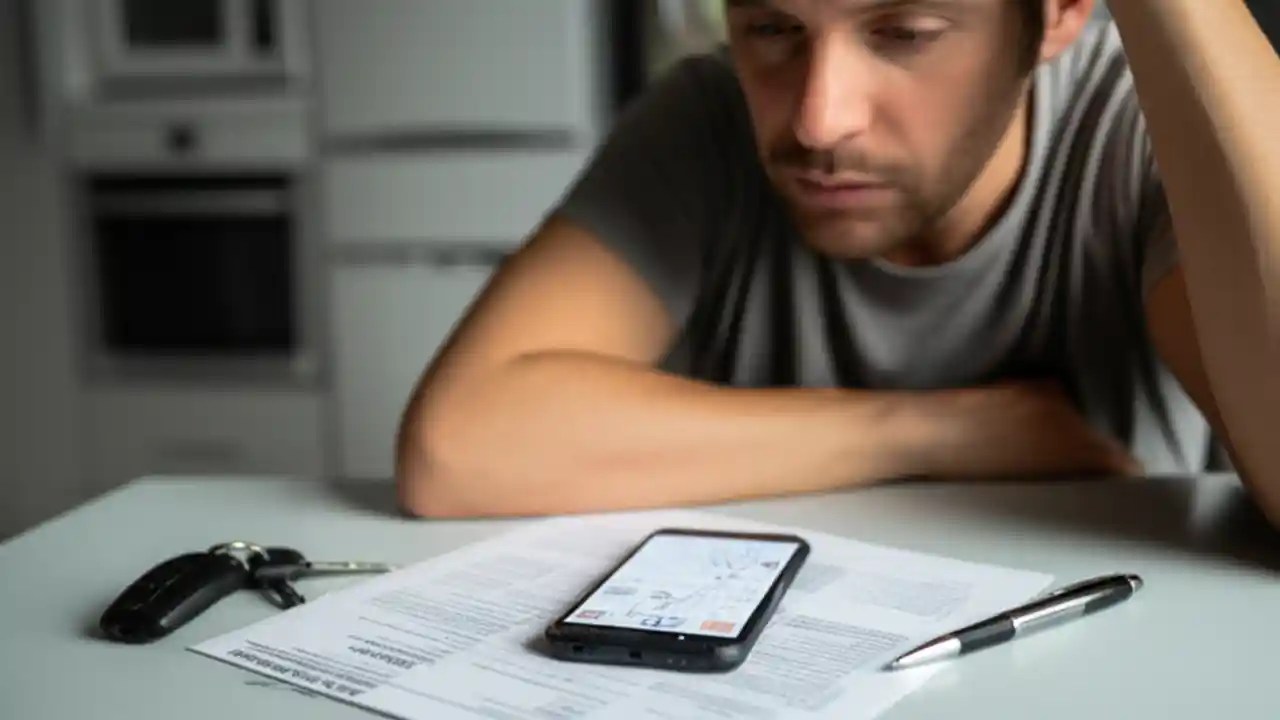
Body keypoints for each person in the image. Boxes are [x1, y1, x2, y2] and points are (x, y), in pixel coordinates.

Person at [394, 0, 1280, 522]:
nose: (819, 121)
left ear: (1060, 13)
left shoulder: (1149, 131)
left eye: (905, 31)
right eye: (774, 27)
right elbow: (459, 446)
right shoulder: (707, 121)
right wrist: (944, 431)